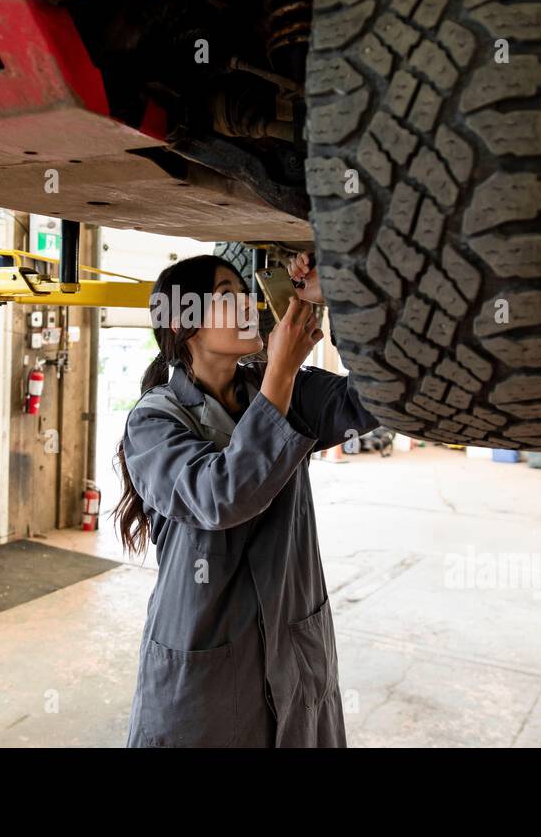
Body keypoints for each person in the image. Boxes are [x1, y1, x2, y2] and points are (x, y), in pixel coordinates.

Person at [113, 250, 379, 747]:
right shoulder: (153, 422)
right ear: (182, 323)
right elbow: (223, 497)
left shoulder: (282, 387)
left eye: (246, 293)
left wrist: (341, 300)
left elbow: (369, 401)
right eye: (226, 297)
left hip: (294, 644)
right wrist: (280, 370)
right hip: (205, 665)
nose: (250, 306)